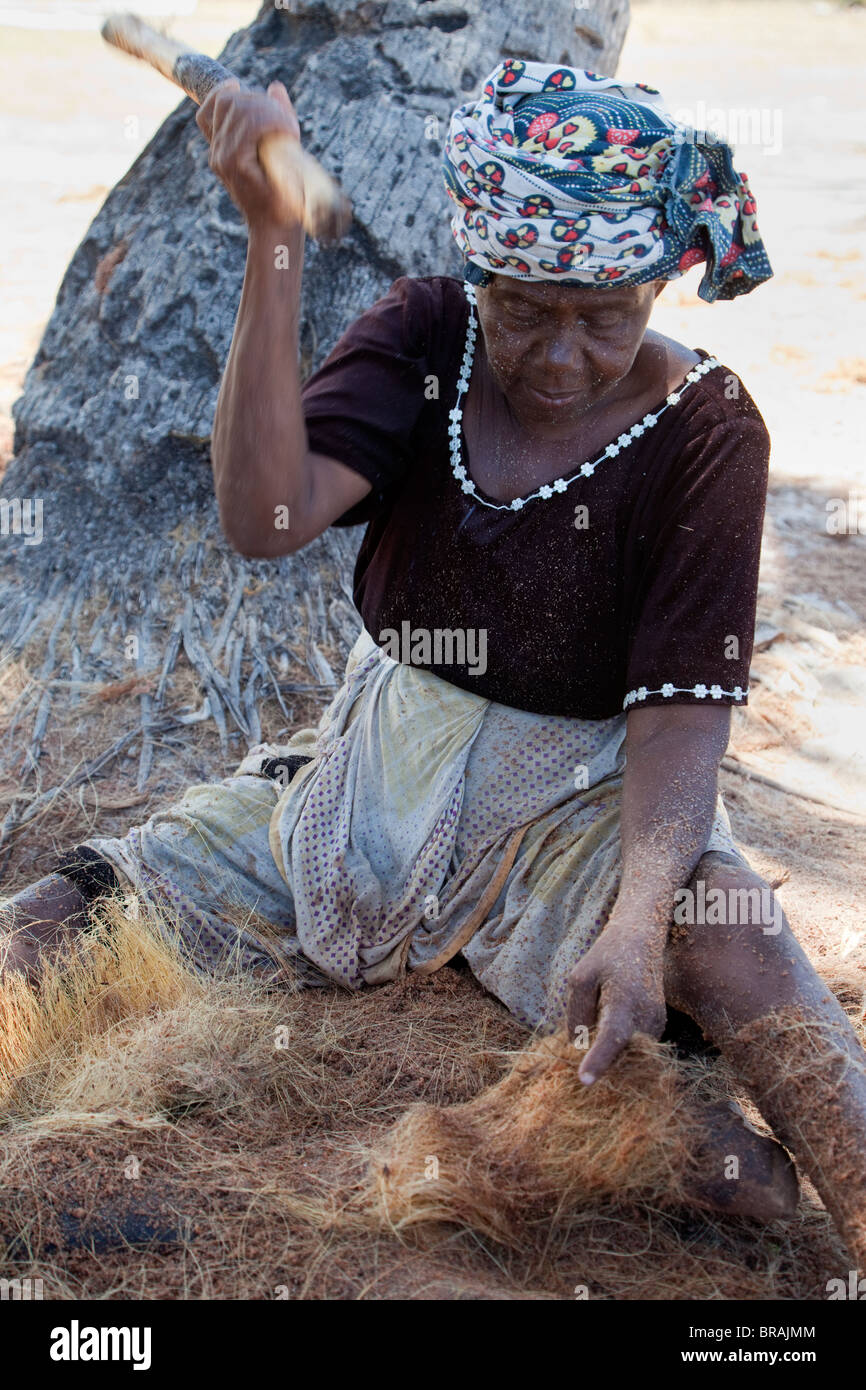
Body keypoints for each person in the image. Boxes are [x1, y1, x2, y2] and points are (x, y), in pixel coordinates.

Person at [2, 60, 864, 1257]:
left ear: (661, 282)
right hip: (367, 776)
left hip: (575, 803)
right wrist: (271, 237)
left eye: (603, 315)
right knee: (59, 917)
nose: (562, 358)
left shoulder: (705, 431)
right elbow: (264, 518)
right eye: (525, 309)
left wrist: (635, 912)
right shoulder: (423, 334)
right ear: (480, 276)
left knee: (729, 934)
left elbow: (677, 719)